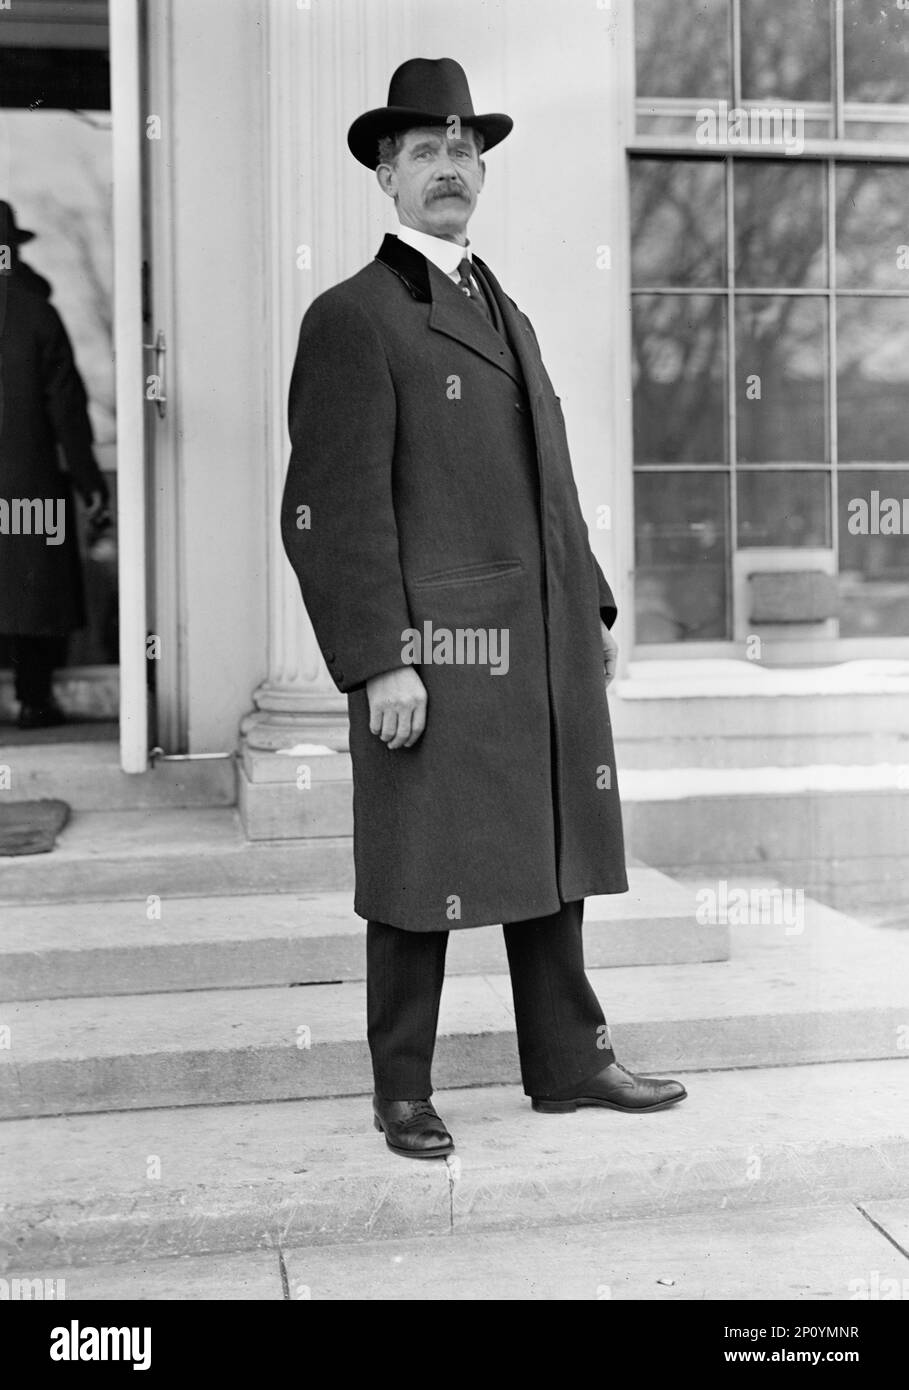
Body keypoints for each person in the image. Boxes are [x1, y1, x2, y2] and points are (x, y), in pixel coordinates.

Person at [282, 59, 686, 1159]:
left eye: (463, 150)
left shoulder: (503, 307)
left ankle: (569, 1059)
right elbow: (329, 509)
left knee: (553, 854)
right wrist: (376, 661)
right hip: (434, 652)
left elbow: (549, 477)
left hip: (540, 640)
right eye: (424, 152)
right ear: (385, 175)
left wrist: (591, 611)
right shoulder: (352, 319)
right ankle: (400, 1088)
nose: (449, 168)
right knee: (418, 870)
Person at [0, 200, 109, 729]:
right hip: (29, 485)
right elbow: (66, 410)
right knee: (33, 587)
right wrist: (90, 482)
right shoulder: (36, 313)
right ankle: (34, 700)